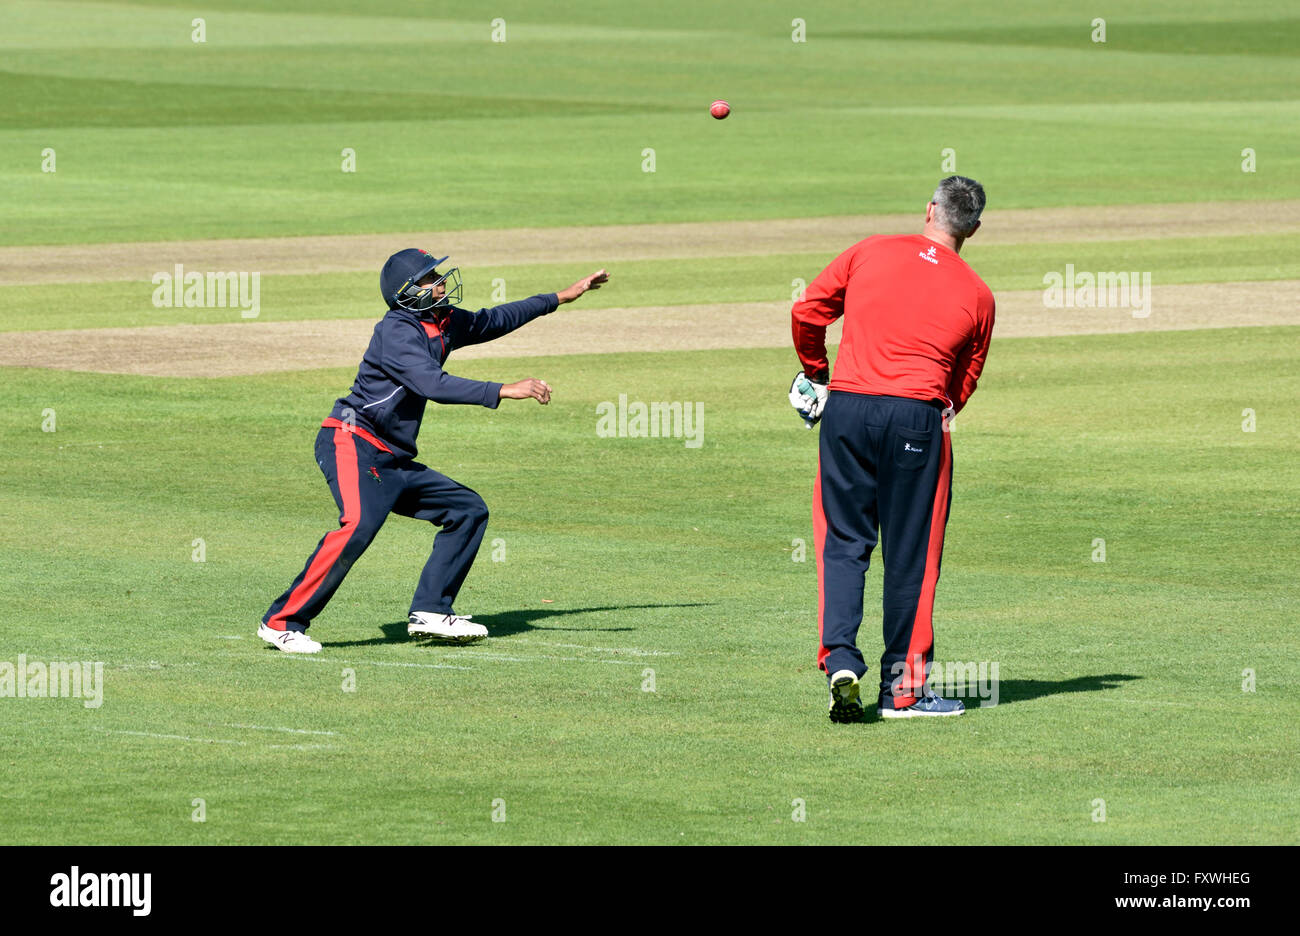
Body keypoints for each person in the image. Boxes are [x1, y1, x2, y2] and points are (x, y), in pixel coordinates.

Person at [258, 248, 608, 653]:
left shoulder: (442, 322)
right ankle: (281, 621)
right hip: (351, 441)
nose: (440, 281)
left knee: (467, 510)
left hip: (392, 457)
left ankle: (430, 610)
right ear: (407, 292)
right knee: (357, 525)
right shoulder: (397, 332)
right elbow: (433, 384)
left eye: (438, 274)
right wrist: (503, 390)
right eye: (429, 278)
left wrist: (559, 298)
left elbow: (493, 320)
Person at [789, 176, 995, 720]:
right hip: (917, 420)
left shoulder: (870, 250)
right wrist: (932, 406)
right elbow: (963, 382)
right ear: (972, 228)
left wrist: (818, 375)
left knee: (843, 543)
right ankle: (904, 691)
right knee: (913, 559)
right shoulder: (978, 294)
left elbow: (806, 313)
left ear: (928, 210)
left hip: (848, 410)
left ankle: (839, 659)